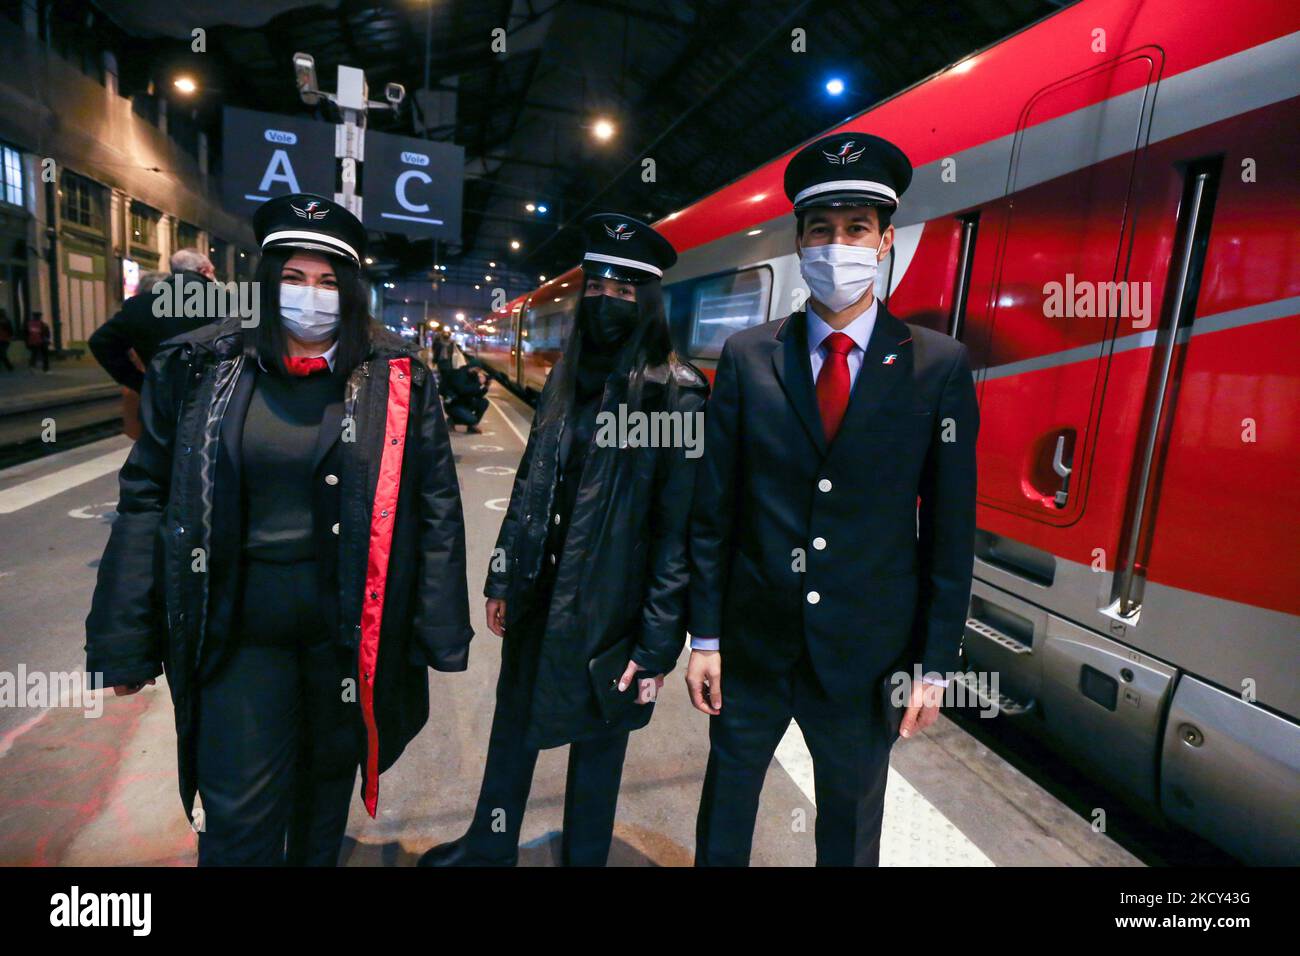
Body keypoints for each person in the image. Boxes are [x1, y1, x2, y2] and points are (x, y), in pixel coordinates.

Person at [85, 193, 474, 866]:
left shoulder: (396, 375)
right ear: (267, 284)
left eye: (327, 282)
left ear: (349, 292)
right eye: (293, 278)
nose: (311, 296)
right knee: (239, 818)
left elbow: (434, 502)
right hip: (238, 638)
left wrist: (438, 630)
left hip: (346, 641)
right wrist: (124, 636)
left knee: (324, 799)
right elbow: (146, 495)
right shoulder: (201, 365)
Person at [687, 132, 980, 866]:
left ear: (885, 242)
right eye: (821, 230)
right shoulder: (750, 356)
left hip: (868, 653)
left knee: (850, 828)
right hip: (752, 644)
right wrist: (706, 637)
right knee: (726, 805)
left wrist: (935, 663)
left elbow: (949, 528)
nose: (837, 245)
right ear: (800, 242)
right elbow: (714, 510)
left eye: (856, 229)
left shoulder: (936, 365)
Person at [419, 214, 708, 867]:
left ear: (651, 300)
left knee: (600, 747)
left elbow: (677, 531)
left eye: (628, 288)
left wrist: (659, 644)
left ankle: (585, 858)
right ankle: (489, 845)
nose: (609, 299)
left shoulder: (675, 395)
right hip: (540, 588)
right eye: (601, 283)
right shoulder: (565, 377)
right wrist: (502, 574)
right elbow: (529, 483)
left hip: (615, 606)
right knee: (511, 724)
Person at [89, 248, 221, 392]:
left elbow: (100, 342)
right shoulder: (225, 303)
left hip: (162, 402)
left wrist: (140, 383)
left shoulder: (139, 306)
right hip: (217, 401)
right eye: (212, 271)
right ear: (204, 271)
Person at [440, 337, 490, 433]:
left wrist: (486, 387)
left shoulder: (473, 376)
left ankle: (471, 426)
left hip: (465, 402)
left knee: (484, 402)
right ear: (471, 367)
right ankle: (452, 421)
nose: (478, 372)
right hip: (454, 404)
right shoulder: (459, 374)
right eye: (477, 369)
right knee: (472, 420)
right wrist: (479, 383)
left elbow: (477, 394)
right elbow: (463, 390)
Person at [0, 308, 13, 372]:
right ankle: (9, 367)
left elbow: (10, 331)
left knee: (2, 354)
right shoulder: (6, 321)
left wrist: (9, 337)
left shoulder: (6, 321)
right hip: (4, 339)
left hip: (5, 340)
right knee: (2, 354)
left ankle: (10, 367)